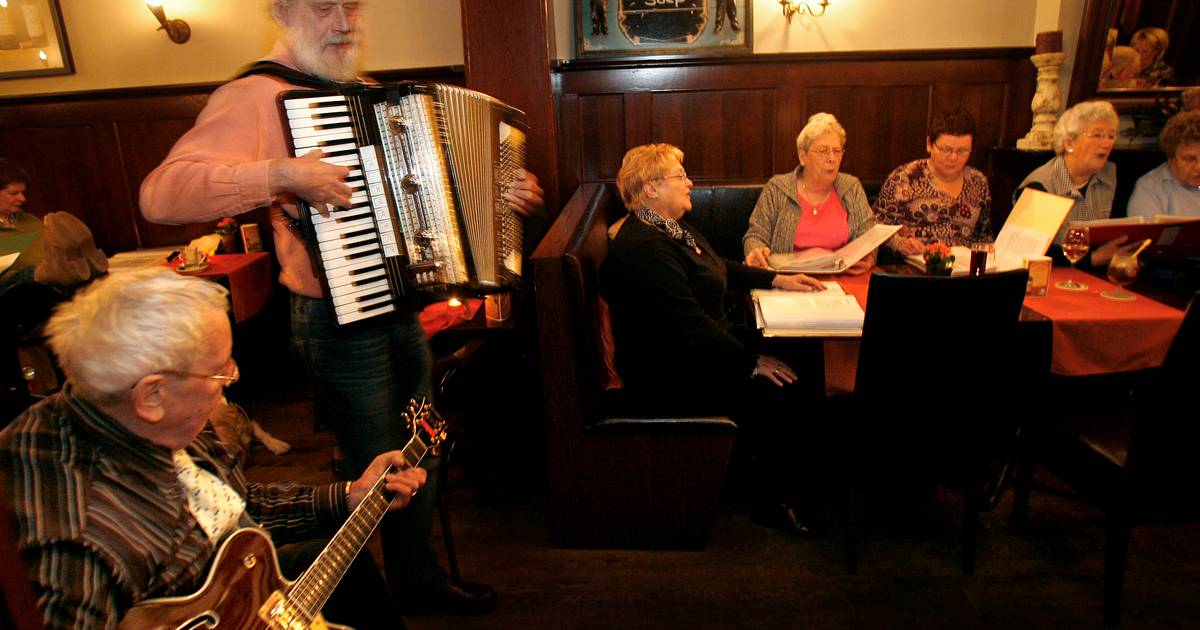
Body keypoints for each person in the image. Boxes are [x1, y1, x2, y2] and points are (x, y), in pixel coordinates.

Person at [139, 0, 542, 616]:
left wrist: (501, 192)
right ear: (281, 11)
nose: (343, 20)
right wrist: (281, 174)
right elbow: (161, 195)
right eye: (323, 5)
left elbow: (432, 201)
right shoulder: (253, 95)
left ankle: (414, 578)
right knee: (370, 467)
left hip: (399, 307)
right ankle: (352, 599)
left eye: (352, 4)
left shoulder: (366, 95)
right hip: (334, 321)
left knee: (416, 450)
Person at [0, 268, 427, 629]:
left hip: (231, 580)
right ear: (152, 395)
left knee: (344, 566)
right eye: (220, 375)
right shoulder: (89, 538)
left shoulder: (133, 412)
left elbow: (226, 502)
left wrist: (348, 495)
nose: (231, 382)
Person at [600, 143, 829, 535]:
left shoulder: (665, 225)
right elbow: (688, 327)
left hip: (700, 349)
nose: (689, 182)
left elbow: (714, 264)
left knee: (802, 353)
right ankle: (772, 500)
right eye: (679, 176)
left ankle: (811, 480)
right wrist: (752, 362)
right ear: (651, 188)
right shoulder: (645, 247)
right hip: (673, 374)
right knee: (786, 380)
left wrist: (776, 278)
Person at [743, 112, 875, 274]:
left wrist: (870, 256)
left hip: (842, 280)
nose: (832, 158)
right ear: (802, 156)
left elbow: (869, 234)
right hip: (790, 280)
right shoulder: (778, 188)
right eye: (823, 151)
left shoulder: (851, 187)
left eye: (837, 151)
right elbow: (756, 234)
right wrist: (756, 250)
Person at [1015, 100, 1137, 267]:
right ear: (1069, 143)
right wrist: (1093, 259)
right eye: (1097, 135)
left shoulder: (1113, 177)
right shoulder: (1040, 184)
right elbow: (1032, 252)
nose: (1107, 143)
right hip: (1052, 276)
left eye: (1111, 136)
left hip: (1099, 276)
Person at [875, 109, 993, 256]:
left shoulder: (978, 181)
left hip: (963, 268)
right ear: (929, 144)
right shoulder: (904, 178)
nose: (954, 158)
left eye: (963, 151)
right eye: (946, 150)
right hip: (914, 265)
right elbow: (876, 228)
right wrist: (899, 243)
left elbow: (984, 235)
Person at [0, 159, 107, 293]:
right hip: (13, 292)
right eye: (14, 193)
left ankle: (86, 265)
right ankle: (54, 273)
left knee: (87, 280)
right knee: (29, 275)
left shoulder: (30, 221)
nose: (22, 199)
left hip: (51, 286)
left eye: (23, 193)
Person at [1128, 109, 1200, 218]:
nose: (1199, 167)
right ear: (1170, 158)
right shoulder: (1150, 188)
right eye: (1189, 159)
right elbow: (1148, 234)